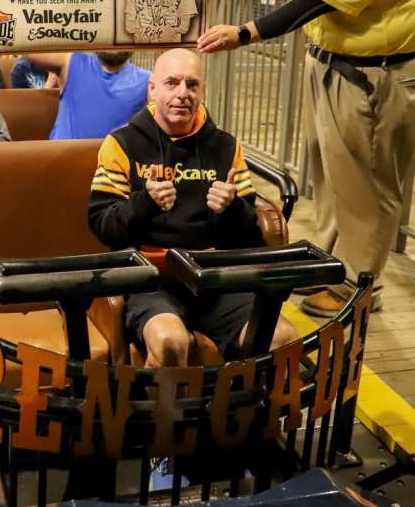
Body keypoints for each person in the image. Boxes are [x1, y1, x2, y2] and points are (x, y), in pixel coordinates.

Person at [198, 0, 415, 317]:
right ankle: (329, 267)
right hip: (332, 63)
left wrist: (245, 32)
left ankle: (357, 289)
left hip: (375, 74)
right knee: (334, 182)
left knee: (367, 188)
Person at [88, 48, 298, 366]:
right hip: (150, 279)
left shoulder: (226, 147)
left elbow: (251, 239)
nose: (182, 93)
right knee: (170, 342)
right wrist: (144, 203)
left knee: (282, 337)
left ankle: (242, 414)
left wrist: (232, 209)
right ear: (152, 89)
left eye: (192, 84)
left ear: (202, 91)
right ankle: (161, 416)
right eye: (172, 83)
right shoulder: (121, 144)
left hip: (213, 280)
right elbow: (102, 223)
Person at [26, 50, 150, 140]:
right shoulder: (71, 61)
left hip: (112, 170)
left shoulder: (147, 81)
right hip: (62, 164)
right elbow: (29, 45)